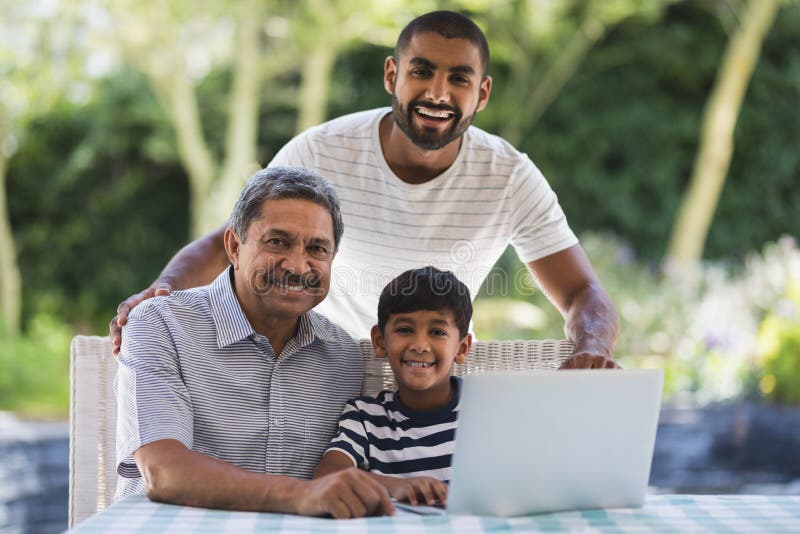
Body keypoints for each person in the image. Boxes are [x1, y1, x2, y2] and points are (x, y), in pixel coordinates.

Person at [111, 10, 620, 370]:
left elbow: (583, 292)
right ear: (392, 75)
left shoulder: (509, 176)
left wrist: (592, 347)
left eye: (459, 79)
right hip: (322, 374)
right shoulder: (320, 152)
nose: (437, 92)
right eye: (421, 72)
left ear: (482, 93)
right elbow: (234, 243)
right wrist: (161, 292)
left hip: (436, 381)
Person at [115, 166, 394, 518]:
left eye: (317, 249)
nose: (297, 266)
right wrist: (302, 495)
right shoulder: (160, 325)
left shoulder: (343, 355)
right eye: (277, 242)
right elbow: (163, 472)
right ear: (234, 247)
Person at [313, 266, 472, 507]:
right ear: (380, 341)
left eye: (437, 332)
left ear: (461, 348)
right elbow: (327, 476)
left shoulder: (484, 409)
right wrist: (395, 486)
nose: (420, 345)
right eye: (405, 330)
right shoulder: (365, 417)